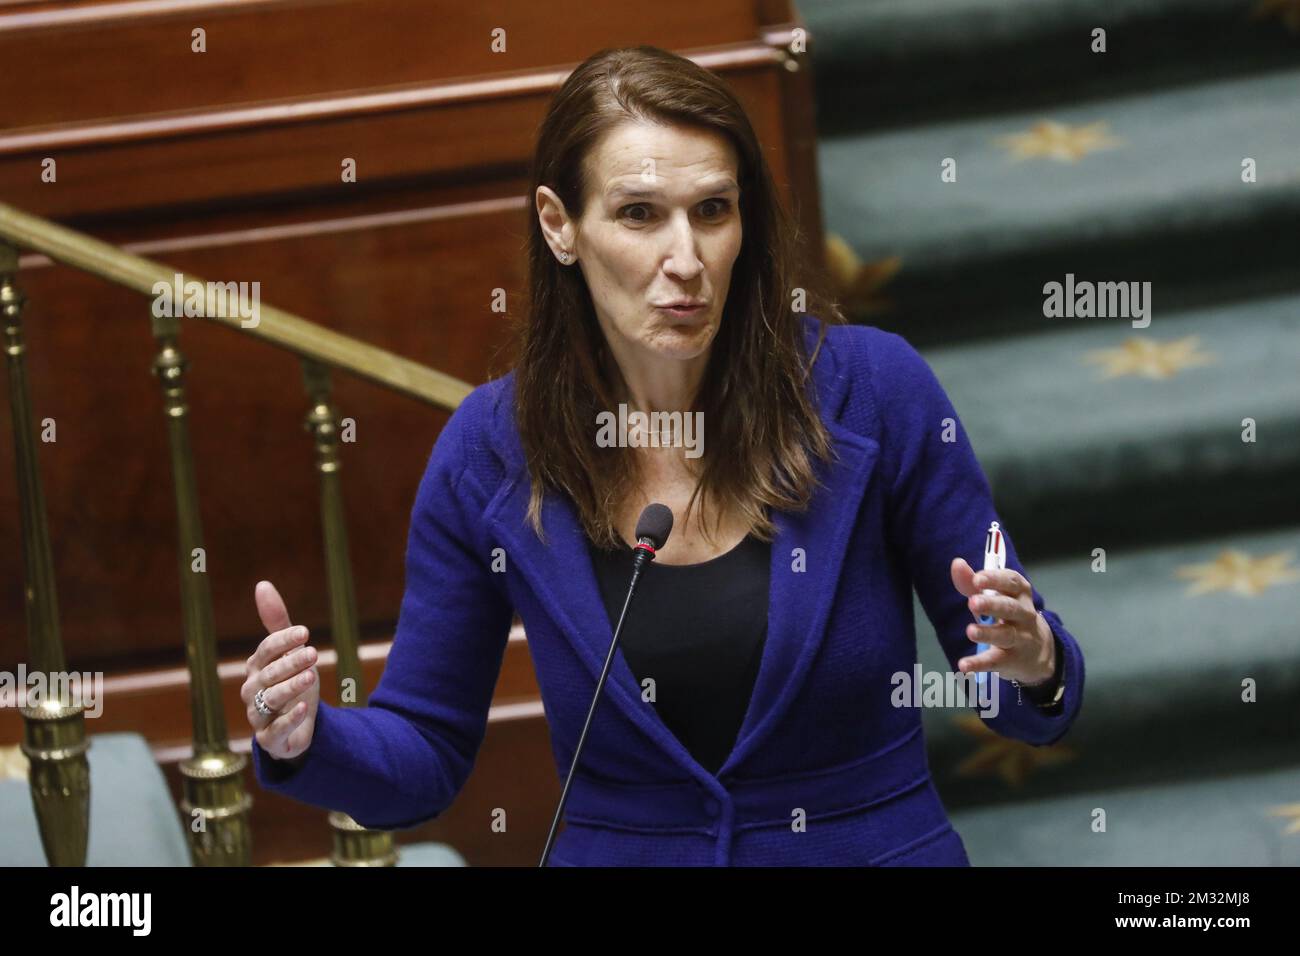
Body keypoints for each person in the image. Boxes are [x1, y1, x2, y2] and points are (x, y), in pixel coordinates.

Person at [241, 45, 1082, 866]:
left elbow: (1015, 687)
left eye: (712, 211)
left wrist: (1035, 662)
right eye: (639, 214)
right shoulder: (490, 450)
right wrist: (308, 735)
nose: (687, 261)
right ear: (560, 226)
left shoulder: (875, 391)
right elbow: (424, 750)